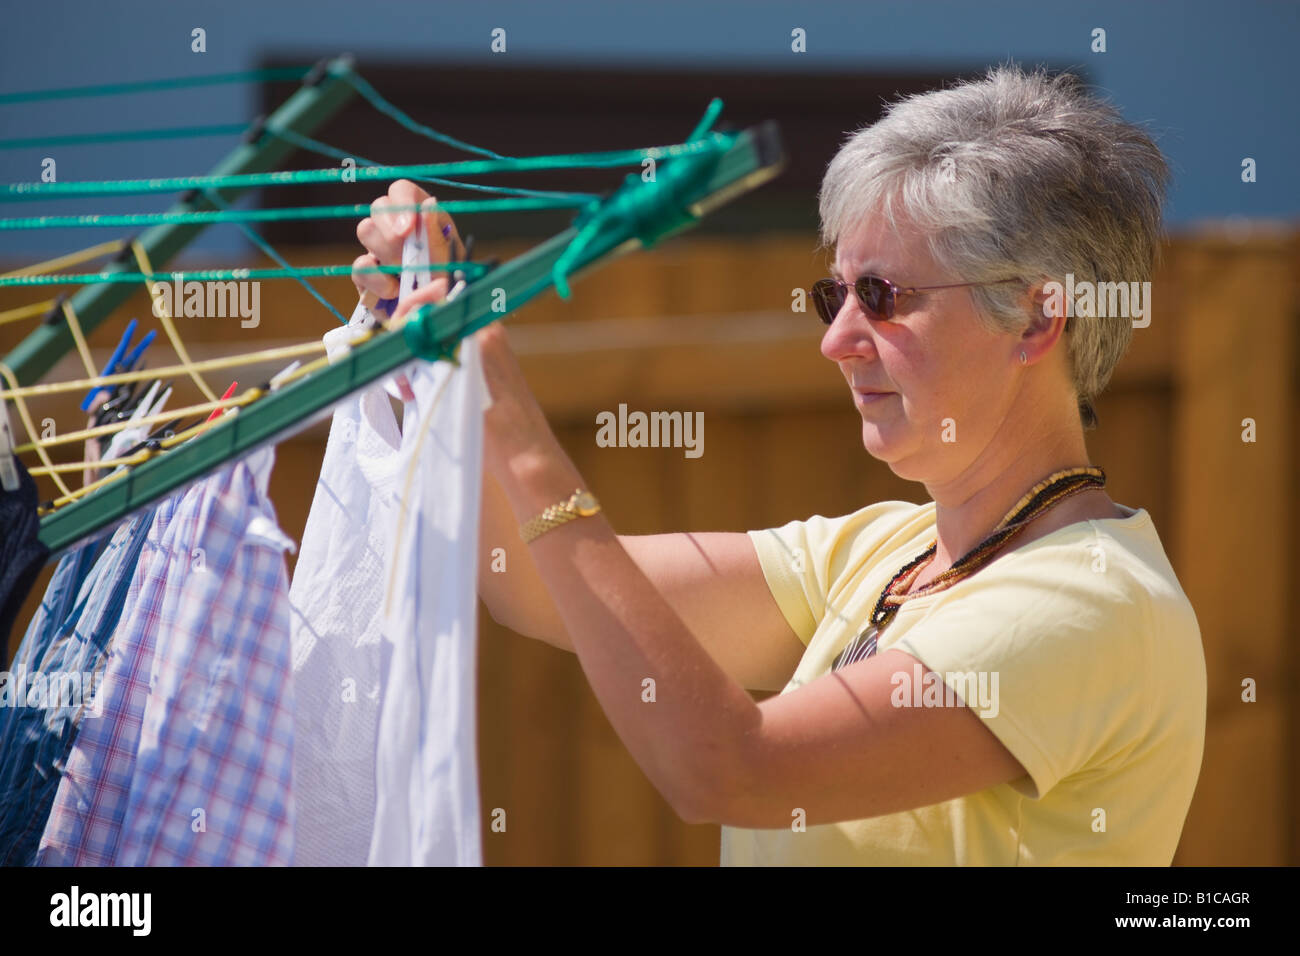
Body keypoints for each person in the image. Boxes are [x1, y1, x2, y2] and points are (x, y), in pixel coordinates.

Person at [351, 63, 1206, 866]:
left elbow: (731, 769)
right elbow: (530, 585)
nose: (835, 341)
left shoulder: (1088, 600)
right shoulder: (891, 551)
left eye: (884, 297)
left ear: (1035, 320)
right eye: (836, 295)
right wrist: (423, 368)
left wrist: (521, 436)